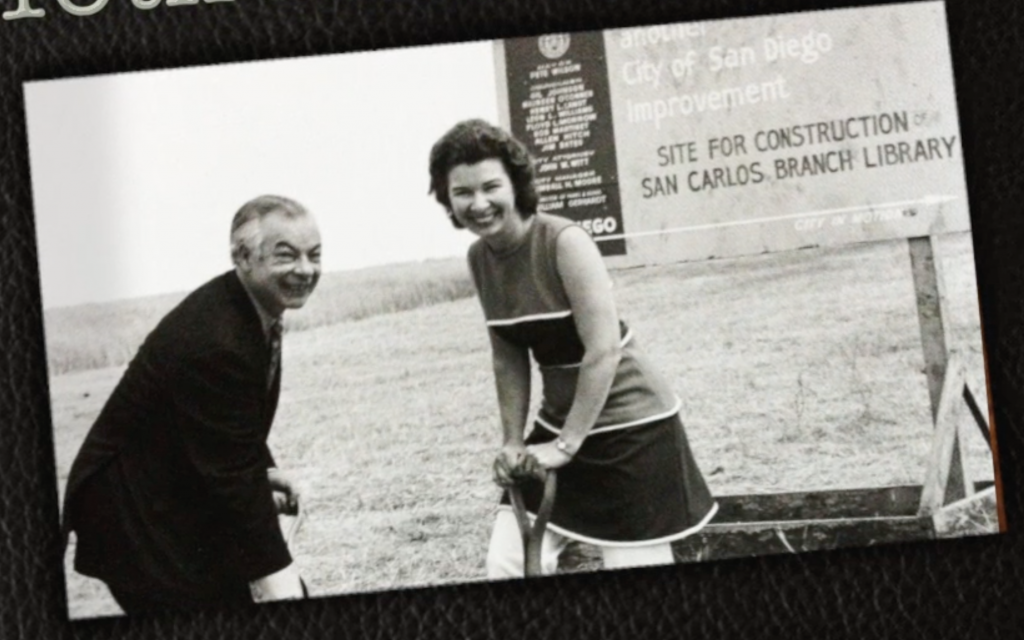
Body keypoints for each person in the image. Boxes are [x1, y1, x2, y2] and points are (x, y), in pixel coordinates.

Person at [428, 120, 718, 577]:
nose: (478, 204)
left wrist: (565, 445)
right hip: (561, 423)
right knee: (508, 564)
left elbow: (603, 350)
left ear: (516, 185)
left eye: (490, 187)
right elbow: (507, 353)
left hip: (632, 428)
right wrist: (512, 440)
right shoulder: (479, 259)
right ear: (447, 199)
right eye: (462, 192)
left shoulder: (564, 241)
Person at [62, 195, 321, 613]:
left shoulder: (248, 308)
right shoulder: (217, 339)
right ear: (242, 256)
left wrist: (267, 471)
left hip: (174, 500)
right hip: (136, 520)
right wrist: (279, 578)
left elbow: (231, 426)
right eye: (287, 256)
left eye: (315, 255)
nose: (305, 270)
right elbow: (233, 478)